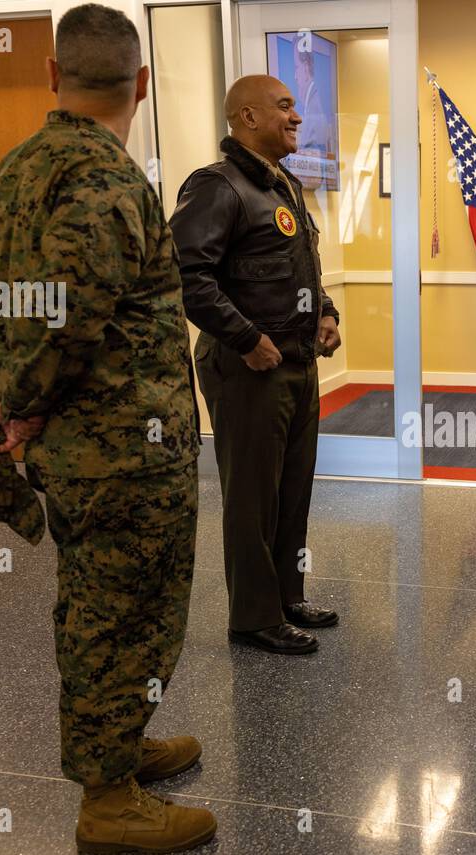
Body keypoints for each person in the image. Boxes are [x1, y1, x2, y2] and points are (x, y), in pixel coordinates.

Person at [0, 3, 214, 854]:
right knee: (123, 614)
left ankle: (121, 738)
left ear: (52, 75)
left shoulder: (16, 170)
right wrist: (28, 400)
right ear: (140, 83)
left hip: (81, 448)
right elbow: (68, 318)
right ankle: (107, 795)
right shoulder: (106, 179)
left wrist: (10, 397)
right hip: (124, 454)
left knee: (100, 607)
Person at [170, 73, 341, 656]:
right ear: (246, 117)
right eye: (284, 107)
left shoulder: (285, 185)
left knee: (292, 492)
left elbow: (301, 266)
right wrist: (246, 338)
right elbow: (188, 277)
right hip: (248, 369)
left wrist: (325, 312)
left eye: (295, 107)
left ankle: (287, 598)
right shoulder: (217, 187)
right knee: (252, 497)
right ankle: (252, 617)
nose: (296, 117)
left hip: (296, 363)